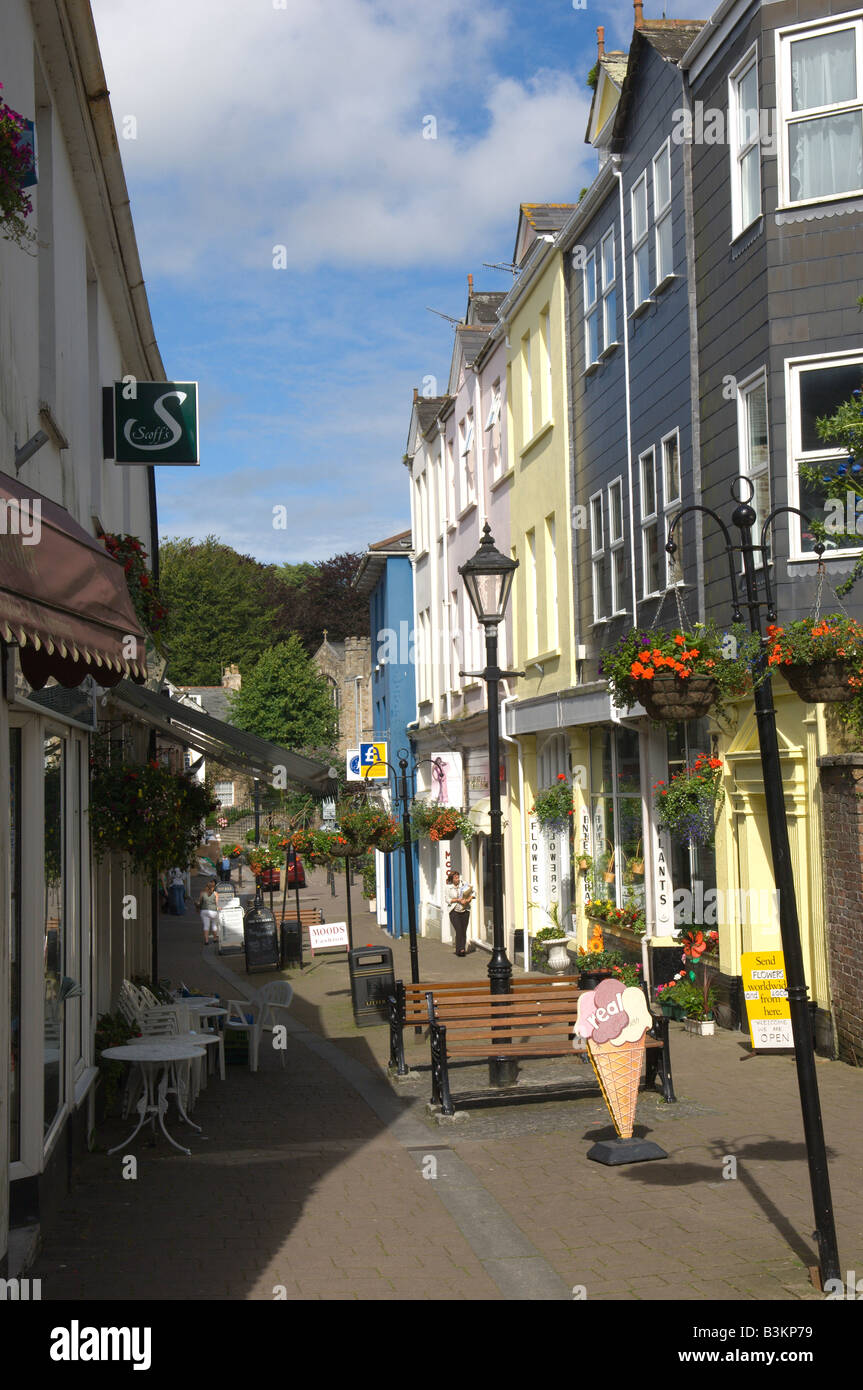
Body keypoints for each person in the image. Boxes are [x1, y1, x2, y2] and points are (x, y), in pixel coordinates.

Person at [446, 869, 474, 957]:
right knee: (459, 929)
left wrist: (468, 900)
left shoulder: (464, 884)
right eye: (455, 878)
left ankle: (460, 949)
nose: (457, 879)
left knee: (463, 930)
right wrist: (457, 900)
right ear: (452, 879)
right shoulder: (448, 887)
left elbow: (473, 892)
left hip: (465, 910)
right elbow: (447, 900)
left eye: (458, 877)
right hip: (454, 911)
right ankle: (461, 949)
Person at [197, 879, 220, 944]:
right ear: (213, 887)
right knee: (214, 925)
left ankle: (206, 941)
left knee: (206, 926)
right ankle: (215, 939)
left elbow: (199, 902)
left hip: (204, 911)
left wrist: (198, 907)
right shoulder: (215, 894)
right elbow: (217, 904)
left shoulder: (202, 893)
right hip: (213, 911)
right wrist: (218, 908)